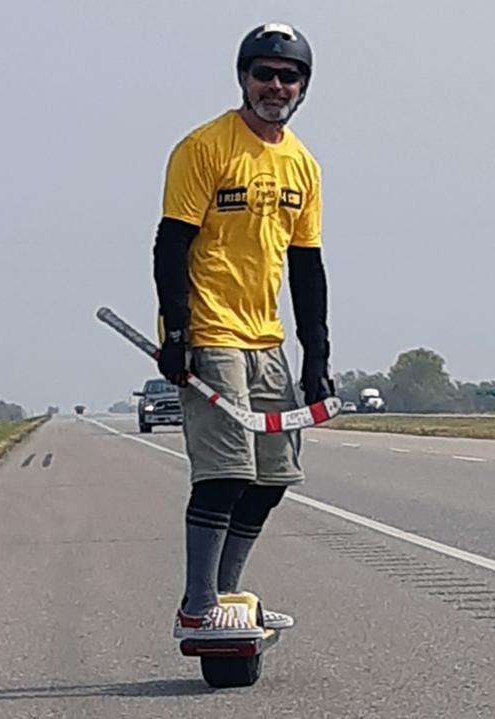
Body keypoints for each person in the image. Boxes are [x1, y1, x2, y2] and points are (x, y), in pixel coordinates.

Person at [152, 22, 334, 639]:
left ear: (303, 87)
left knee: (273, 478)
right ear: (243, 78)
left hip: (268, 340)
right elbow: (171, 242)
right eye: (265, 74)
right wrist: (178, 334)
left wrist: (317, 357)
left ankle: (225, 594)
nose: (276, 86)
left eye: (288, 77)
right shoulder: (204, 147)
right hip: (211, 333)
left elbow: (307, 266)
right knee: (226, 473)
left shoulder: (302, 164)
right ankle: (196, 602)